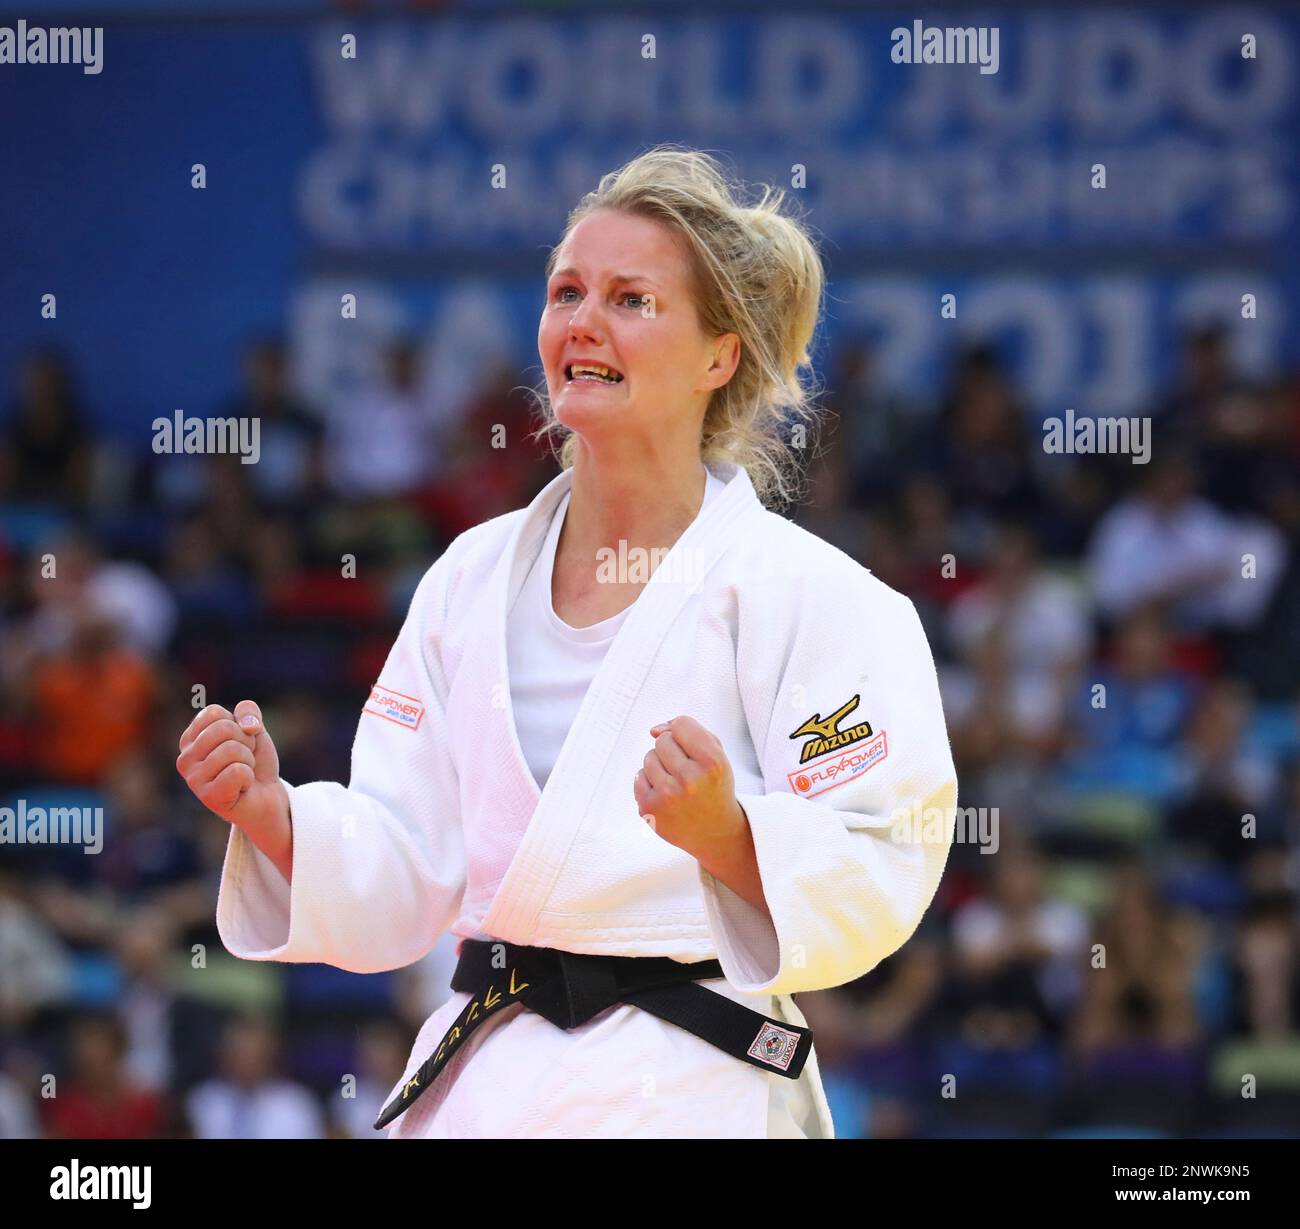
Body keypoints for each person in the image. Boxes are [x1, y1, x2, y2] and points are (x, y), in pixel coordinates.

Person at [175, 146, 958, 1139]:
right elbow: (408, 851)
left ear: (718, 356)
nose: (582, 320)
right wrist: (277, 816)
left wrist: (727, 832)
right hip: (488, 1075)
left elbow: (880, 847)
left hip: (687, 1083)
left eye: (631, 298)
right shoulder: (467, 575)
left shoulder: (813, 597)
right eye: (566, 291)